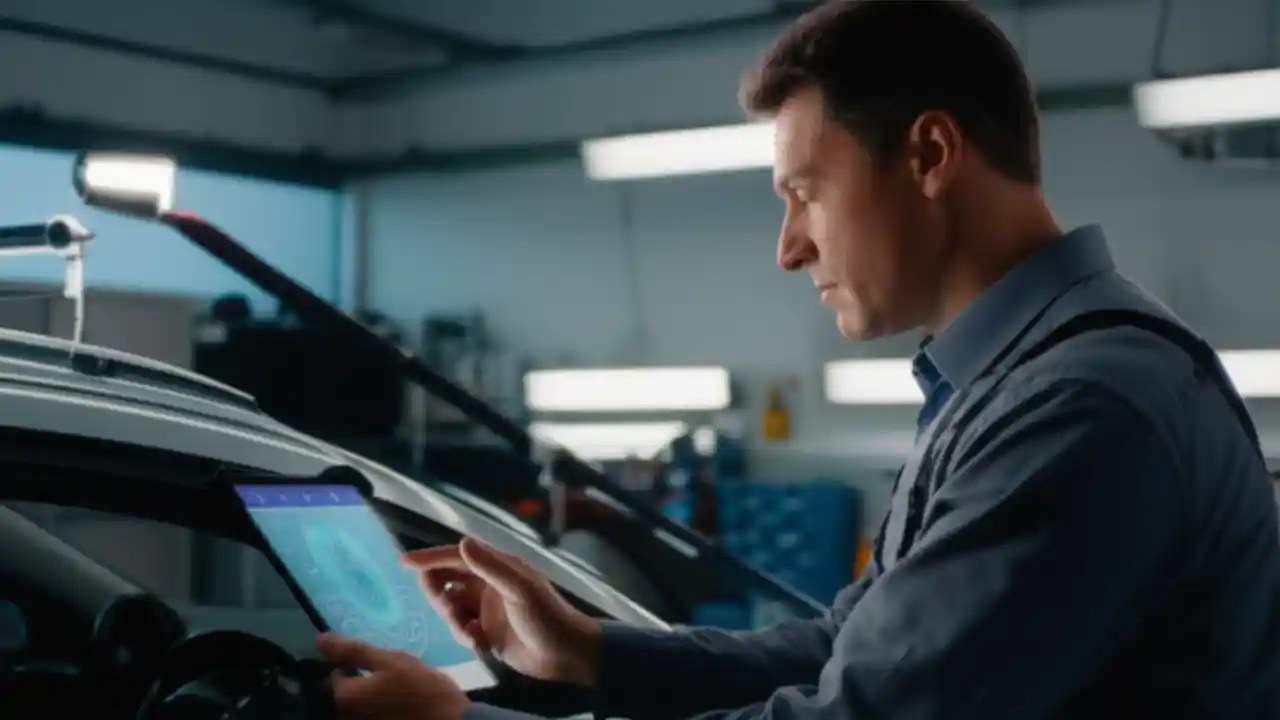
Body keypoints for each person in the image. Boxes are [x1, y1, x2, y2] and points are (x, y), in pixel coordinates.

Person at [317, 1, 1280, 717]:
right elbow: (850, 649)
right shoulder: (1011, 384)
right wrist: (593, 654)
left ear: (931, 154)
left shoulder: (1083, 408)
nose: (789, 246)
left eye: (806, 192)